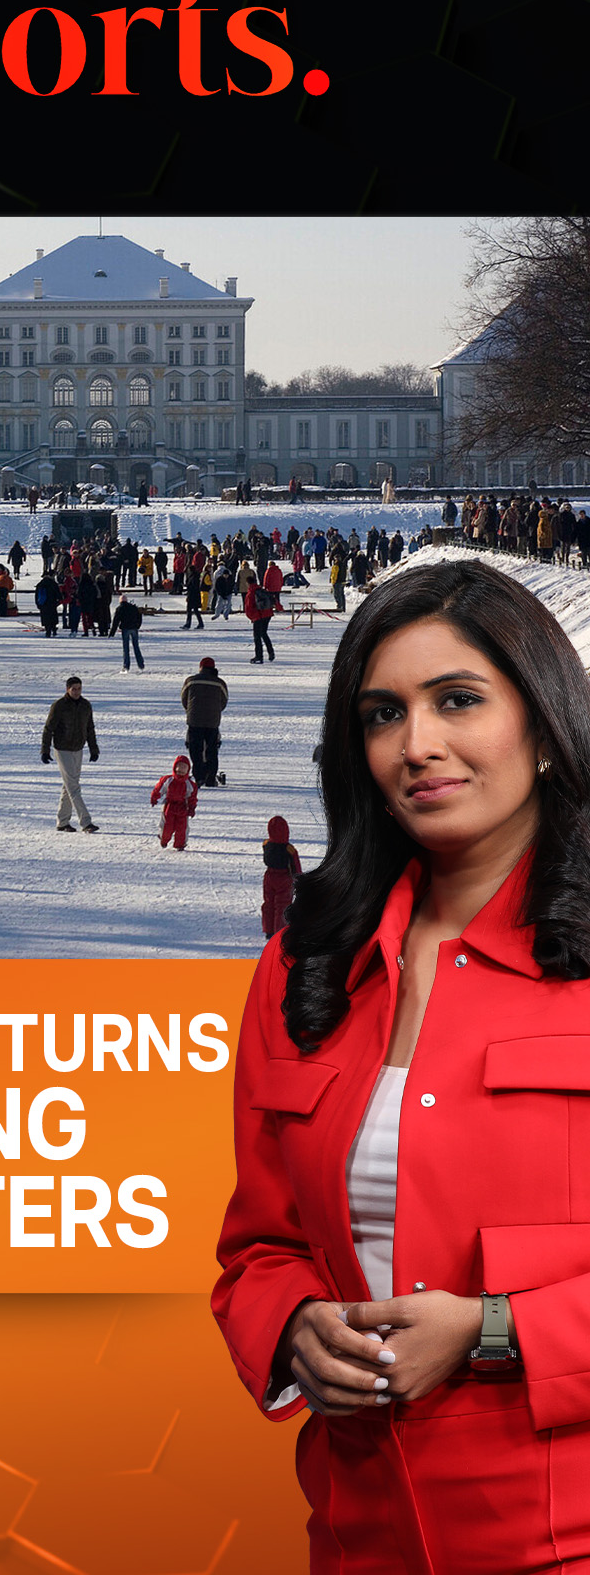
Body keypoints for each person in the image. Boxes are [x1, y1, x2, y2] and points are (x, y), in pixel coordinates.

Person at [213, 558, 590, 1575]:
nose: (417, 745)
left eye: (457, 701)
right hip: (360, 1535)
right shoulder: (304, 968)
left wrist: (497, 1330)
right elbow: (257, 1246)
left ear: (548, 730)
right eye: (382, 715)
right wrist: (293, 1328)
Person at [40, 676, 100, 832]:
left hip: (78, 749)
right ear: (67, 689)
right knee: (74, 787)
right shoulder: (59, 706)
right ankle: (86, 822)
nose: (77, 692)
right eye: (74, 689)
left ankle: (62, 821)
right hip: (62, 749)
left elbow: (90, 729)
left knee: (69, 786)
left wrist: (94, 749)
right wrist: (45, 750)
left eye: (79, 688)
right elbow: (48, 728)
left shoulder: (86, 705)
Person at [180, 657, 228, 788]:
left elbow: (184, 699)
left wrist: (190, 710)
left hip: (194, 719)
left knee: (195, 748)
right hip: (212, 721)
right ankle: (211, 777)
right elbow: (223, 702)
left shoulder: (190, 681)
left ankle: (199, 775)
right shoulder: (220, 683)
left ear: (200, 667)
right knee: (212, 749)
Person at [260, 814, 301, 937]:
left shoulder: (266, 844)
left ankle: (268, 929)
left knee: (268, 903)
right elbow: (296, 866)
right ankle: (279, 931)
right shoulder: (289, 849)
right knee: (282, 905)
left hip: (269, 877)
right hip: (284, 879)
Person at [150, 753, 198, 851]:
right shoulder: (168, 780)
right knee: (167, 825)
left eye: (184, 768)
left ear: (188, 770)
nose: (180, 771)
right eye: (178, 768)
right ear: (174, 768)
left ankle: (180, 844)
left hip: (183, 807)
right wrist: (154, 797)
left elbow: (192, 797)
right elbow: (159, 789)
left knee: (182, 827)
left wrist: (192, 807)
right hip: (169, 805)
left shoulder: (190, 784)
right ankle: (164, 839)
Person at [244, 574, 276, 663]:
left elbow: (249, 607)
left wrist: (252, 617)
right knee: (264, 634)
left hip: (258, 616)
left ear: (248, 583)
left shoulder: (251, 592)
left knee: (257, 637)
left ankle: (259, 656)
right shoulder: (261, 590)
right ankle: (271, 652)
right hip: (267, 614)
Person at [109, 592, 145, 671]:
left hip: (125, 629)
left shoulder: (119, 608)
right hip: (134, 628)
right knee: (136, 646)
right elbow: (139, 616)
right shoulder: (133, 607)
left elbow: (116, 621)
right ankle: (141, 664)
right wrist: (137, 626)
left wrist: (112, 633)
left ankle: (126, 666)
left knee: (126, 648)